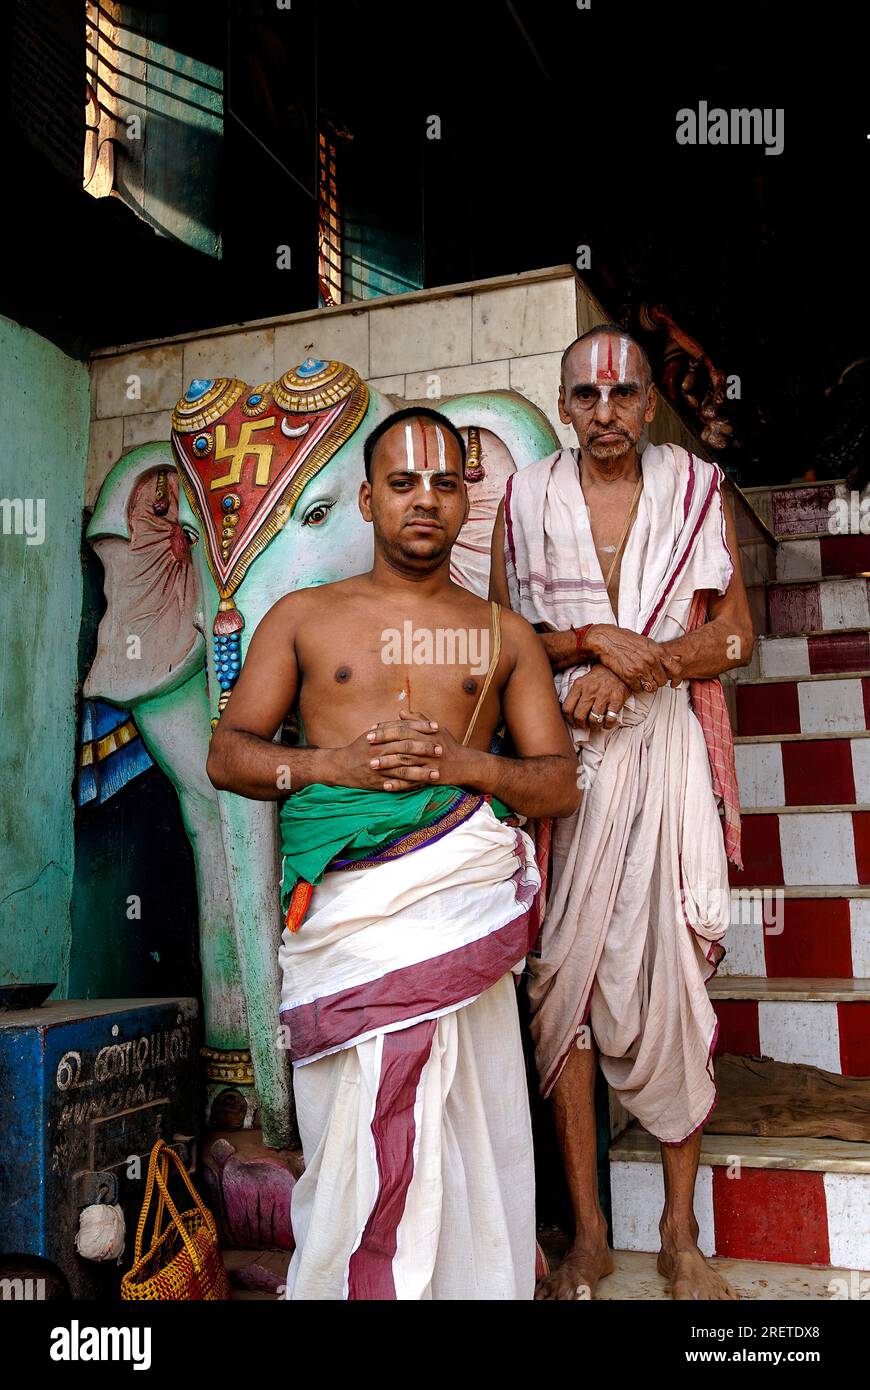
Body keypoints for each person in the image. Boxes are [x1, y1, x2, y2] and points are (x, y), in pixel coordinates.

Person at [207, 405, 580, 1300]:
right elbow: (229, 754)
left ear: (466, 499)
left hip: (459, 916)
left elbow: (559, 782)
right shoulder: (303, 617)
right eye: (404, 484)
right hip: (350, 929)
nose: (426, 500)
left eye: (445, 484)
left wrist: (462, 763)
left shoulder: (502, 636)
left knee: (474, 1132)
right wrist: (333, 765)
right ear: (368, 500)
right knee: (355, 1144)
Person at [489, 326, 754, 1301]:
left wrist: (643, 663)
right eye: (587, 397)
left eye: (626, 395)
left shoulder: (695, 489)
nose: (607, 413)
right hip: (568, 768)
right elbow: (503, 635)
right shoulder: (525, 497)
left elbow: (733, 634)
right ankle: (591, 1236)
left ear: (652, 404)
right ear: (563, 407)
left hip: (669, 756)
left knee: (677, 978)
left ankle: (683, 1235)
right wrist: (591, 640)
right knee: (566, 981)